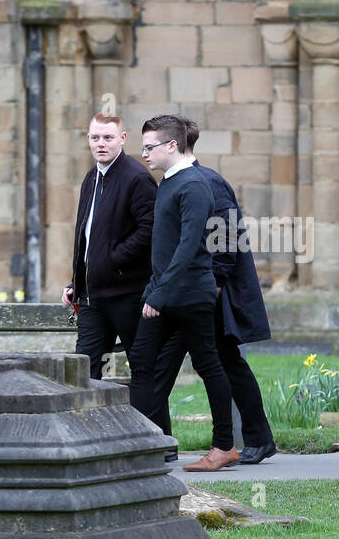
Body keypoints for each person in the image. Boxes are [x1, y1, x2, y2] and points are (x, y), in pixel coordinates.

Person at [145, 119, 277, 465]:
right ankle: (156, 439)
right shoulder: (182, 181)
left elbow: (227, 238)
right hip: (186, 291)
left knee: (223, 362)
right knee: (167, 365)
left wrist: (215, 285)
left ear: (175, 144)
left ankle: (256, 439)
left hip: (212, 293)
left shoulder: (207, 183)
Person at [127, 115, 239, 472]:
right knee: (143, 362)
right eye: (143, 147)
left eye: (150, 147)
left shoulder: (192, 185)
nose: (144, 154)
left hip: (189, 296)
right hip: (166, 293)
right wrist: (154, 288)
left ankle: (224, 446)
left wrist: (158, 295)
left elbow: (189, 247)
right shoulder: (170, 182)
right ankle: (143, 444)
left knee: (208, 365)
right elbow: (165, 247)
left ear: (171, 146)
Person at [62, 113, 157, 392]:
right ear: (88, 140)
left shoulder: (138, 178)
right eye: (95, 138)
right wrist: (76, 282)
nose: (100, 144)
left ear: (122, 139)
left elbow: (150, 230)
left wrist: (112, 260)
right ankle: (87, 434)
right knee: (82, 373)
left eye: (108, 138)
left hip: (128, 294)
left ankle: (155, 435)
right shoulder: (91, 177)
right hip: (92, 298)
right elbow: (89, 236)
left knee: (143, 371)